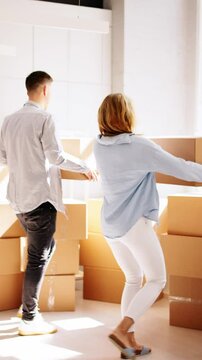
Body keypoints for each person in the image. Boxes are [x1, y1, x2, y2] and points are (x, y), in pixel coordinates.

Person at [94, 93, 202, 359]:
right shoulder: (140, 146)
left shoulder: (98, 145)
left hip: (110, 224)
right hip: (134, 224)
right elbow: (183, 168)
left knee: (132, 278)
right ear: (128, 115)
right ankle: (122, 328)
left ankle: (128, 342)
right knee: (157, 280)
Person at [0, 71, 96, 336]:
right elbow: (56, 157)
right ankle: (30, 318)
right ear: (44, 90)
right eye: (50, 91)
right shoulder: (44, 118)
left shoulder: (9, 120)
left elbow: (4, 158)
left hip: (19, 201)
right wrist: (84, 166)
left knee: (42, 250)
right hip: (40, 200)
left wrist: (27, 161)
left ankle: (26, 306)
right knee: (37, 259)